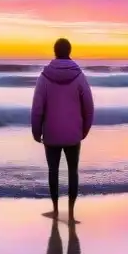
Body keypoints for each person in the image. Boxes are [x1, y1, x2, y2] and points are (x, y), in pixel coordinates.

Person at [31, 38, 94, 222]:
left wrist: (36, 131)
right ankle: (71, 212)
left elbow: (37, 108)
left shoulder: (44, 77)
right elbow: (89, 107)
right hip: (74, 134)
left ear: (55, 52)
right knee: (73, 171)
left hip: (51, 134)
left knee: (53, 171)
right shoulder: (79, 76)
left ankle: (56, 210)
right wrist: (84, 130)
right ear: (69, 51)